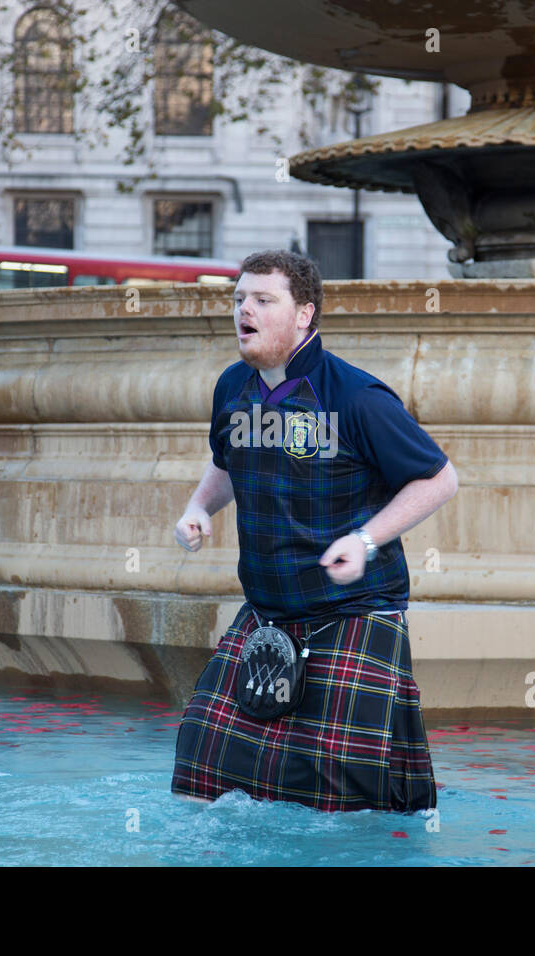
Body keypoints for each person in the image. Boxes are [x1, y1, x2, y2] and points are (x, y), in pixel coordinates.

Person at [170, 250, 458, 814]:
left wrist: (365, 540)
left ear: (304, 315)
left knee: (340, 791)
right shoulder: (233, 388)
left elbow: (439, 479)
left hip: (353, 610)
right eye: (239, 299)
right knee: (201, 759)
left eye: (262, 300)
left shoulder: (356, 397)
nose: (242, 311)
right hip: (267, 609)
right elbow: (226, 462)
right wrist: (200, 507)